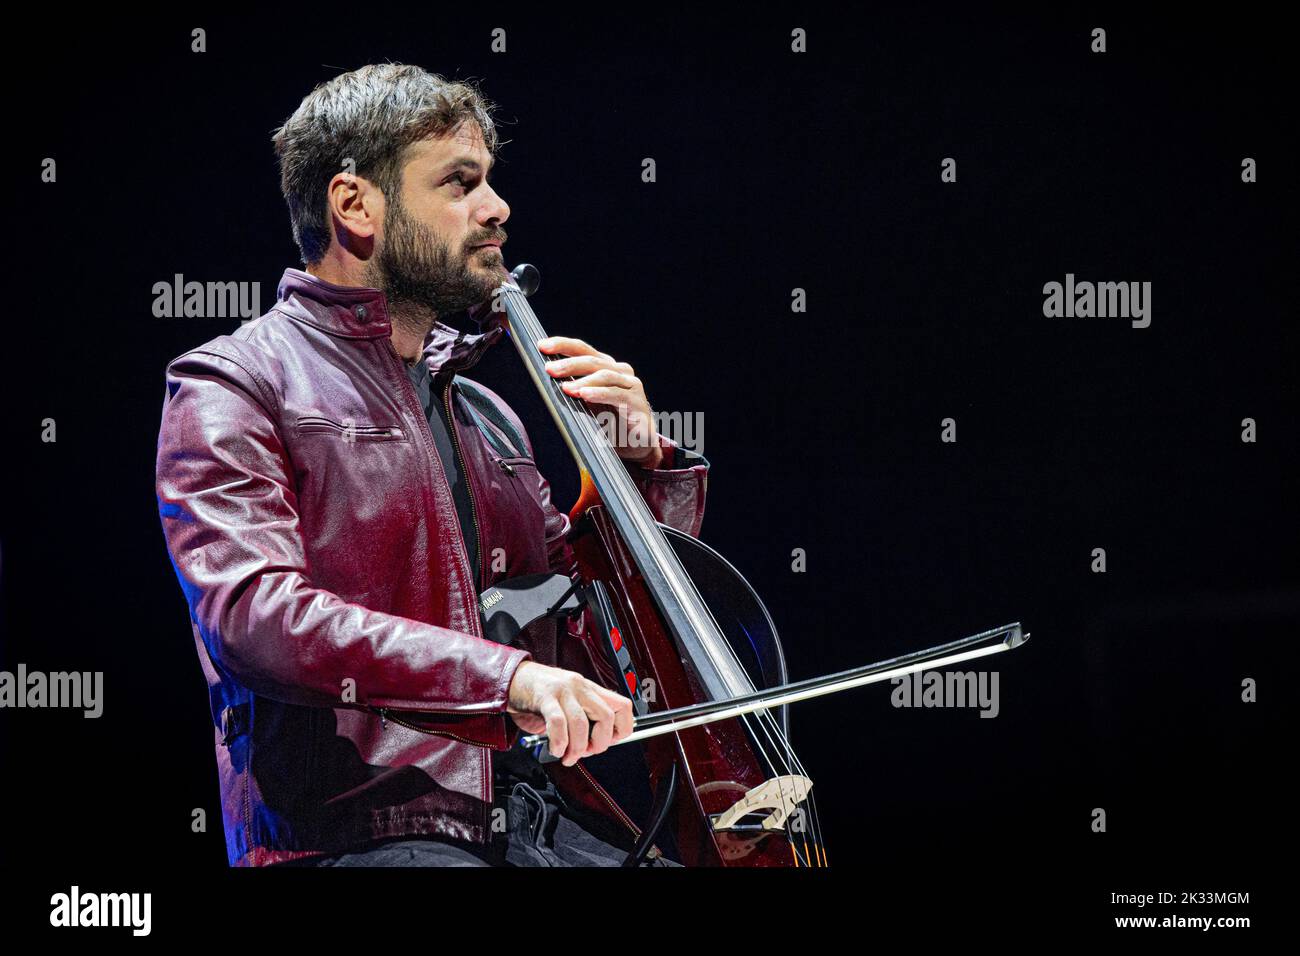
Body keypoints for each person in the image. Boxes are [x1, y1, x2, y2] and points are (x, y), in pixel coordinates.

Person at [154, 63, 708, 867]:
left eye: (490, 182)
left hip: (530, 824)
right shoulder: (235, 383)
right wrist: (507, 680)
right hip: (369, 832)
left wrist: (640, 475)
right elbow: (256, 616)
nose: (497, 209)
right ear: (356, 206)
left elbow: (597, 643)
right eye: (460, 183)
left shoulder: (485, 414)